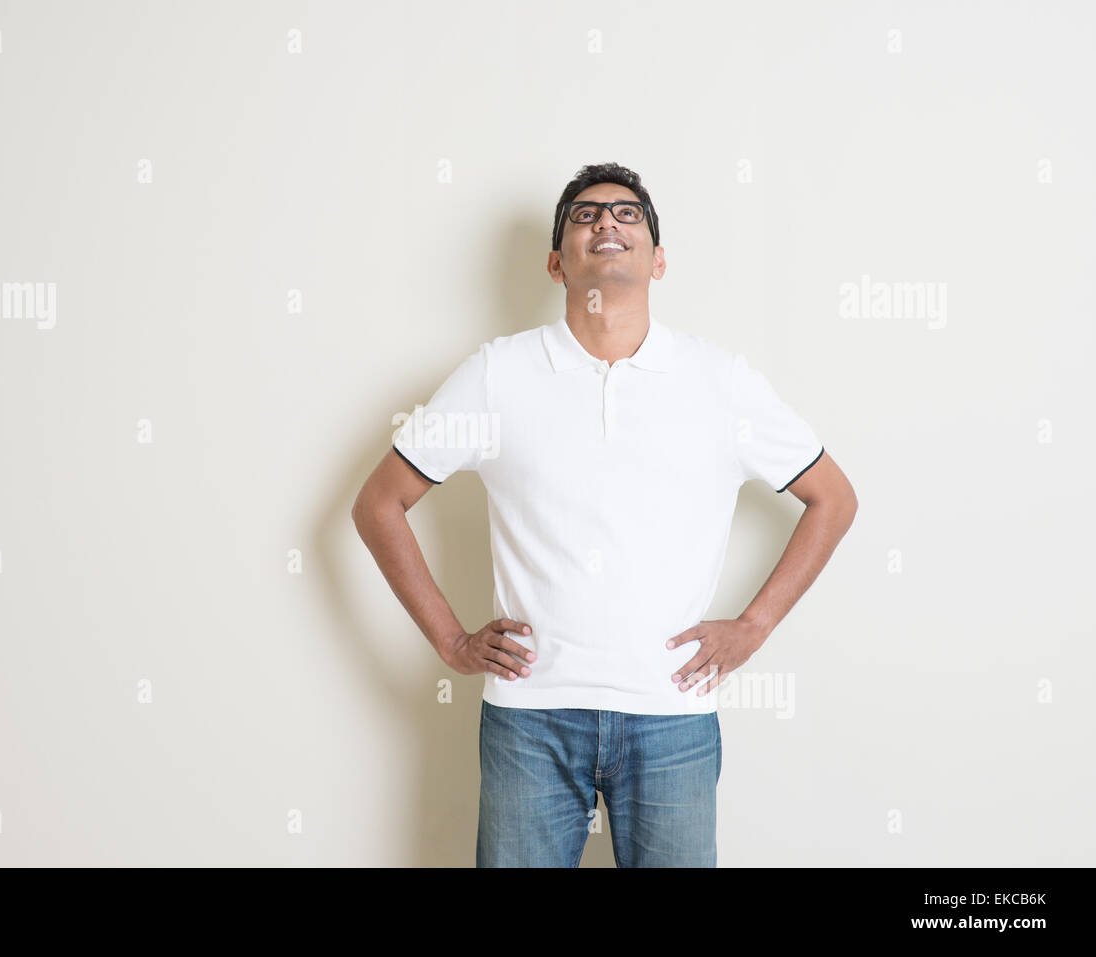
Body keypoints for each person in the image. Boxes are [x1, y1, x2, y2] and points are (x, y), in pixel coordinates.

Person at [351, 162, 858, 867]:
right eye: (585, 215)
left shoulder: (720, 380)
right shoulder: (499, 374)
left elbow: (833, 498)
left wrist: (753, 625)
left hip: (673, 717)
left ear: (658, 258)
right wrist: (451, 641)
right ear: (557, 263)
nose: (607, 223)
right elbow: (379, 503)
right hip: (529, 719)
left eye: (628, 214)